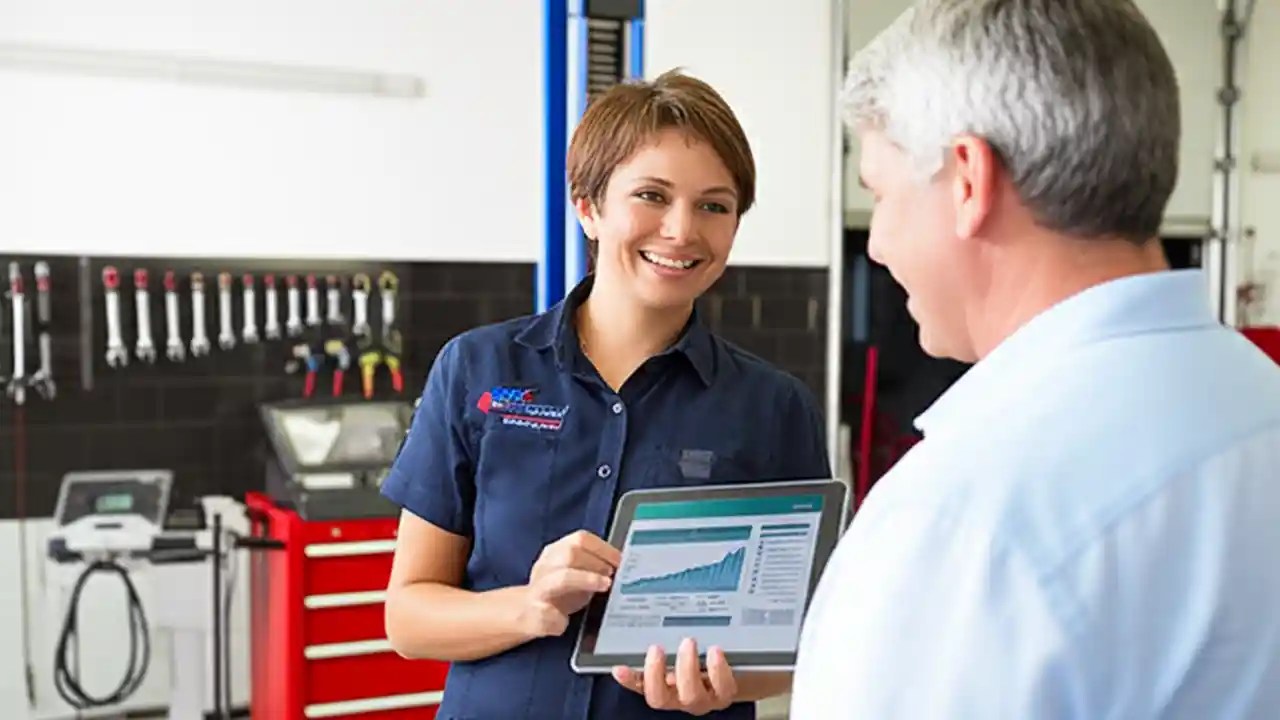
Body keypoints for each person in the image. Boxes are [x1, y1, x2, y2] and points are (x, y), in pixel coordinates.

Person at [790, 1, 1280, 718]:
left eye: (881, 193)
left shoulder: (958, 526)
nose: (879, 243)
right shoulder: (1260, 404)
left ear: (967, 181)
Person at [380, 69, 831, 720]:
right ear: (588, 207)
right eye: (652, 195)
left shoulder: (774, 407)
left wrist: (728, 684)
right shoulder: (478, 369)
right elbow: (409, 615)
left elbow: (796, 642)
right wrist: (527, 608)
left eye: (714, 205)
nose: (681, 230)